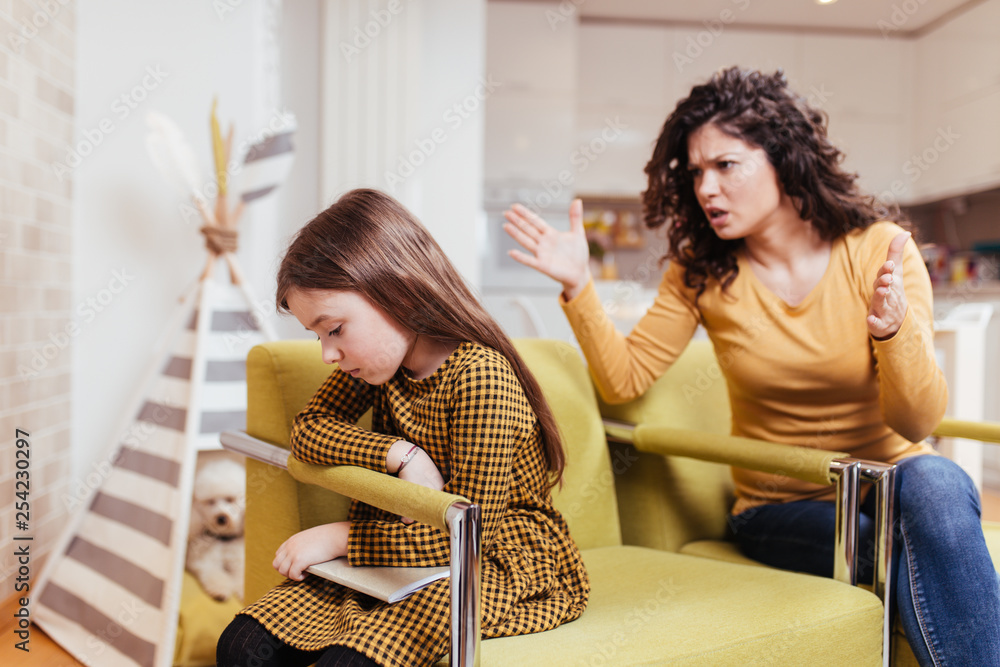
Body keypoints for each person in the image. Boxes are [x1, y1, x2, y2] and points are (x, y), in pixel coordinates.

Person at [503, 67, 1000, 666]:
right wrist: (579, 286)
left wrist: (894, 333)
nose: (706, 188)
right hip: (780, 509)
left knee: (939, 481)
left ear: (783, 160)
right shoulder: (701, 272)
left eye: (725, 165)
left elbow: (916, 423)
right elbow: (624, 379)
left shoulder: (878, 250)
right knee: (887, 546)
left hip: (893, 484)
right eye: (695, 172)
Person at [217, 188, 589, 667]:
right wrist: (400, 454)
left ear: (398, 292)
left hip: (489, 559)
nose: (328, 354)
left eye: (335, 329)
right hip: (401, 545)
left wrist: (340, 538)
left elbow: (466, 539)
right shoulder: (380, 366)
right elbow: (308, 429)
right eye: (318, 335)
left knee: (350, 662)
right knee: (241, 646)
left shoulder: (482, 377)